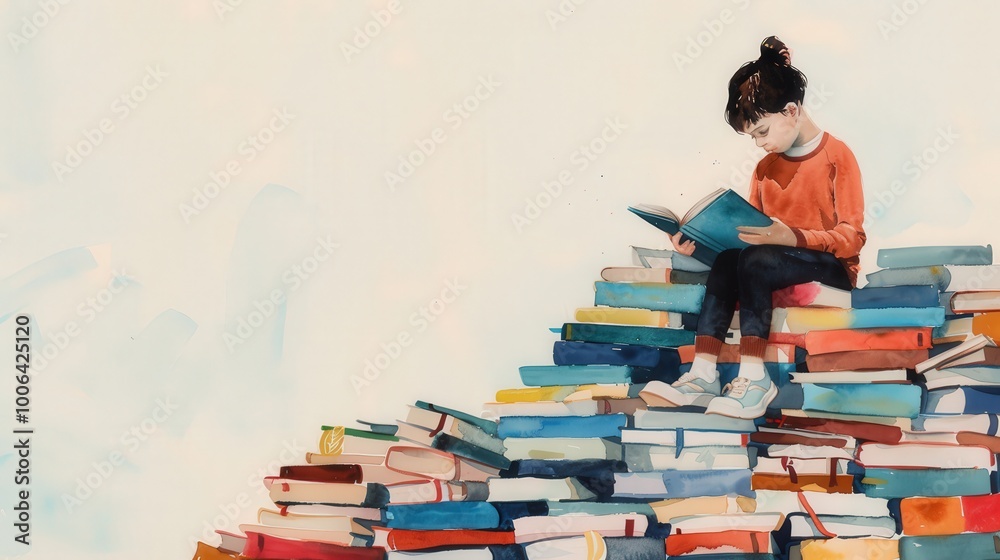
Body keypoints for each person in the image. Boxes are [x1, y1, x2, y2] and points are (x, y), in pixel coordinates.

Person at [639, 36, 866, 420]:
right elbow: (746, 238)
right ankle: (703, 374)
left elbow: (852, 238)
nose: (759, 144)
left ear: (791, 111)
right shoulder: (765, 170)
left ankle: (754, 377)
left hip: (831, 270)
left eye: (762, 131)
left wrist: (791, 237)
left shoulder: (836, 156)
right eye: (753, 137)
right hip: (771, 263)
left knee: (757, 259)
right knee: (732, 260)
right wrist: (699, 246)